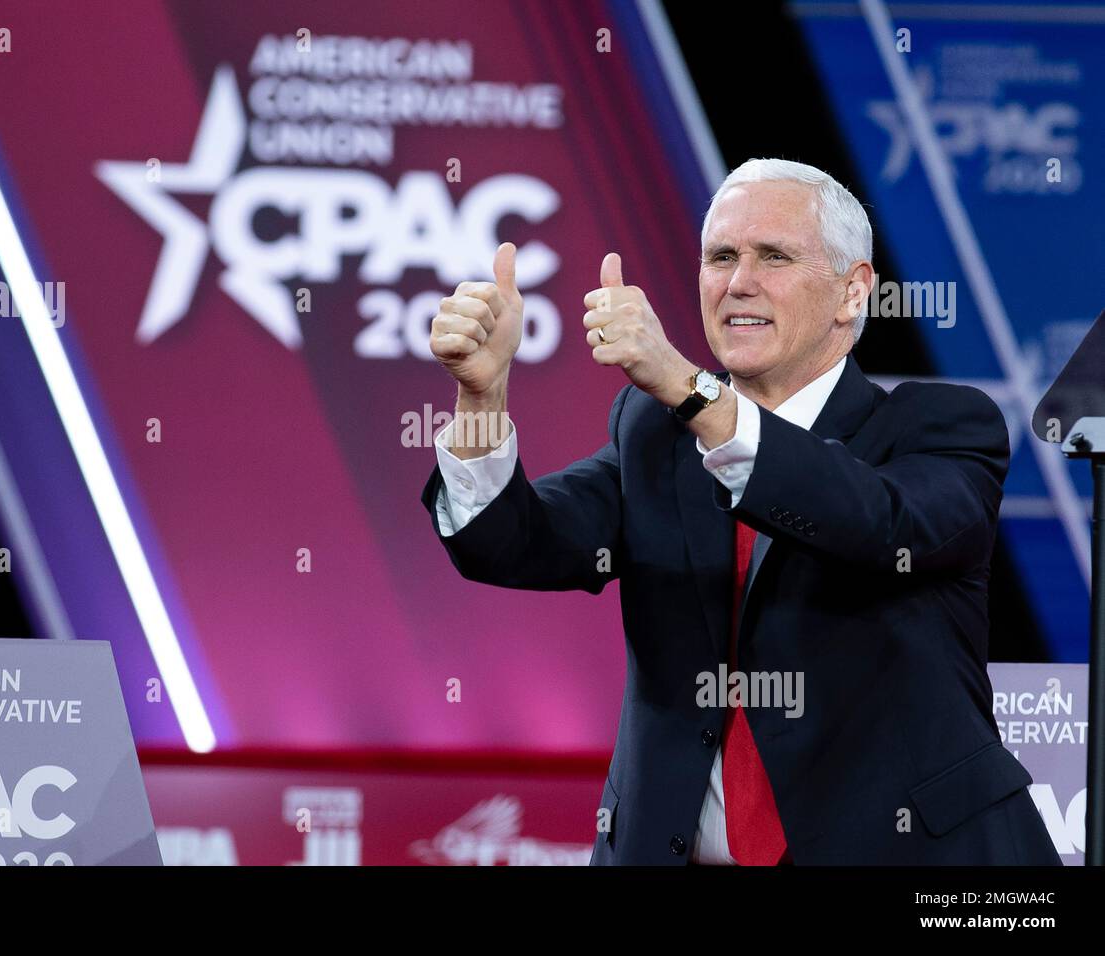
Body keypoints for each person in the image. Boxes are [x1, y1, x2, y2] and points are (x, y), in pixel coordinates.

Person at [419, 158, 1062, 865]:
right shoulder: (655, 432)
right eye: (720, 256)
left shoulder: (941, 428)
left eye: (774, 257)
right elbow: (515, 545)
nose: (737, 282)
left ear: (853, 293)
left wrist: (690, 391)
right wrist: (480, 401)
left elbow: (876, 522)